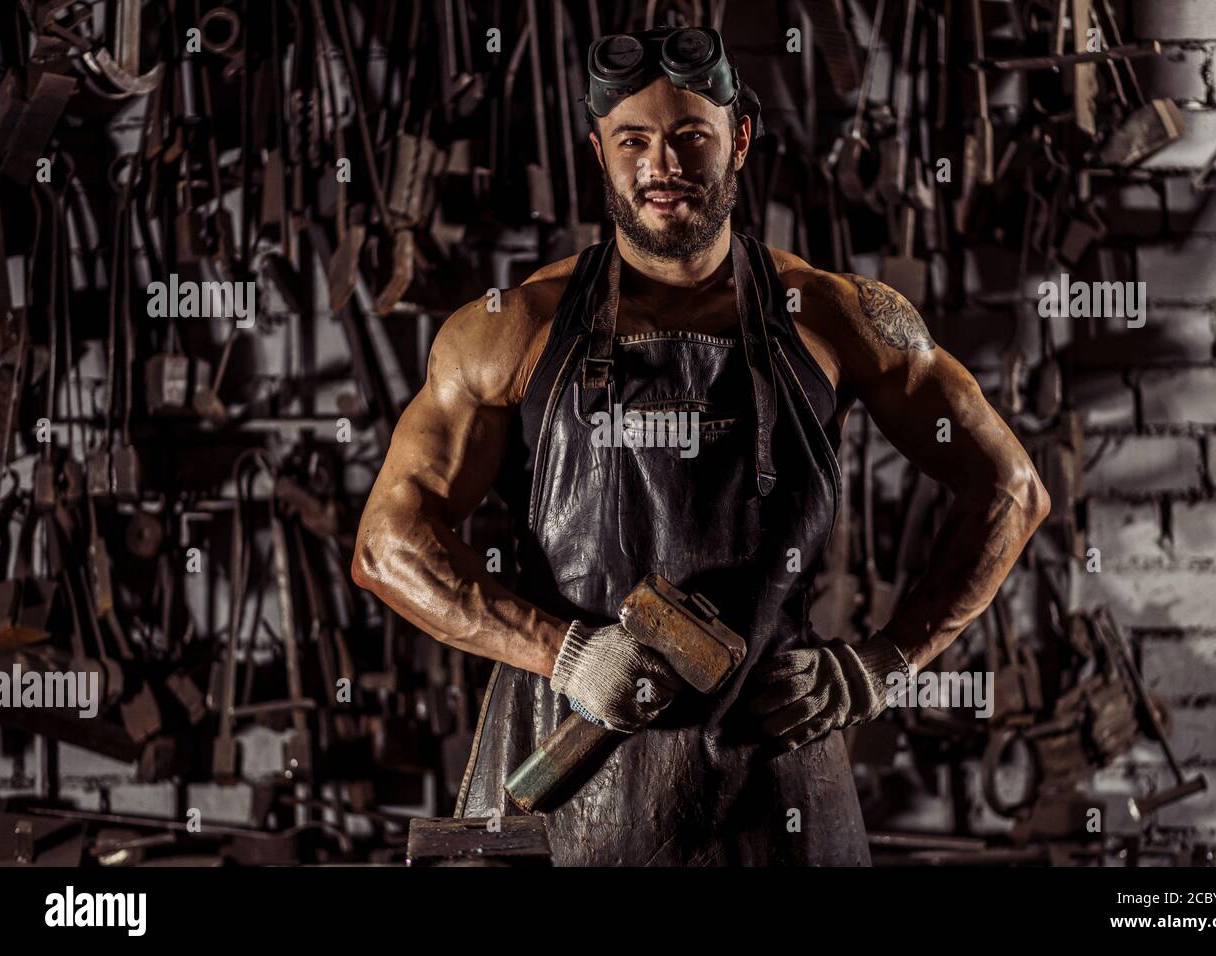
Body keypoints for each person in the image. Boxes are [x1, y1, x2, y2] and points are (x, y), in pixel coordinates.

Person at [352, 26, 1049, 865]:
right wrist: (564, 653)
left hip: (773, 782)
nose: (663, 165)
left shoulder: (835, 317)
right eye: (634, 140)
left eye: (691, 137)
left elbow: (1011, 490)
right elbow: (387, 546)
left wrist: (878, 666)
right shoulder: (511, 332)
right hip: (564, 778)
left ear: (740, 140)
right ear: (598, 151)